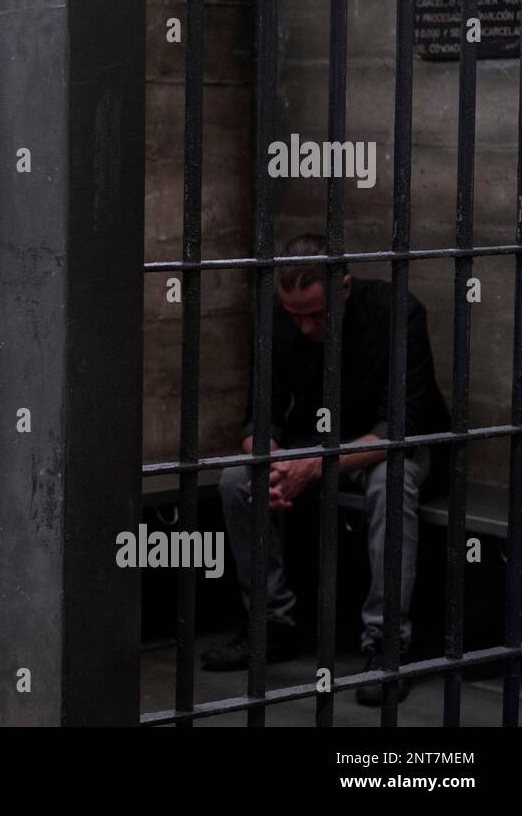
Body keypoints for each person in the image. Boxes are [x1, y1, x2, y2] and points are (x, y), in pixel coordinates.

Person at [201, 233, 451, 706]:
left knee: (390, 484)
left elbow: (400, 425)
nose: (306, 328)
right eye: (295, 316)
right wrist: (269, 462)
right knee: (238, 477)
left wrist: (314, 466)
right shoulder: (276, 317)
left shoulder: (397, 311)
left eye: (317, 315)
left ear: (346, 288)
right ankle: (271, 623)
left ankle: (387, 642)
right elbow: (261, 412)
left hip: (392, 447)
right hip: (316, 441)